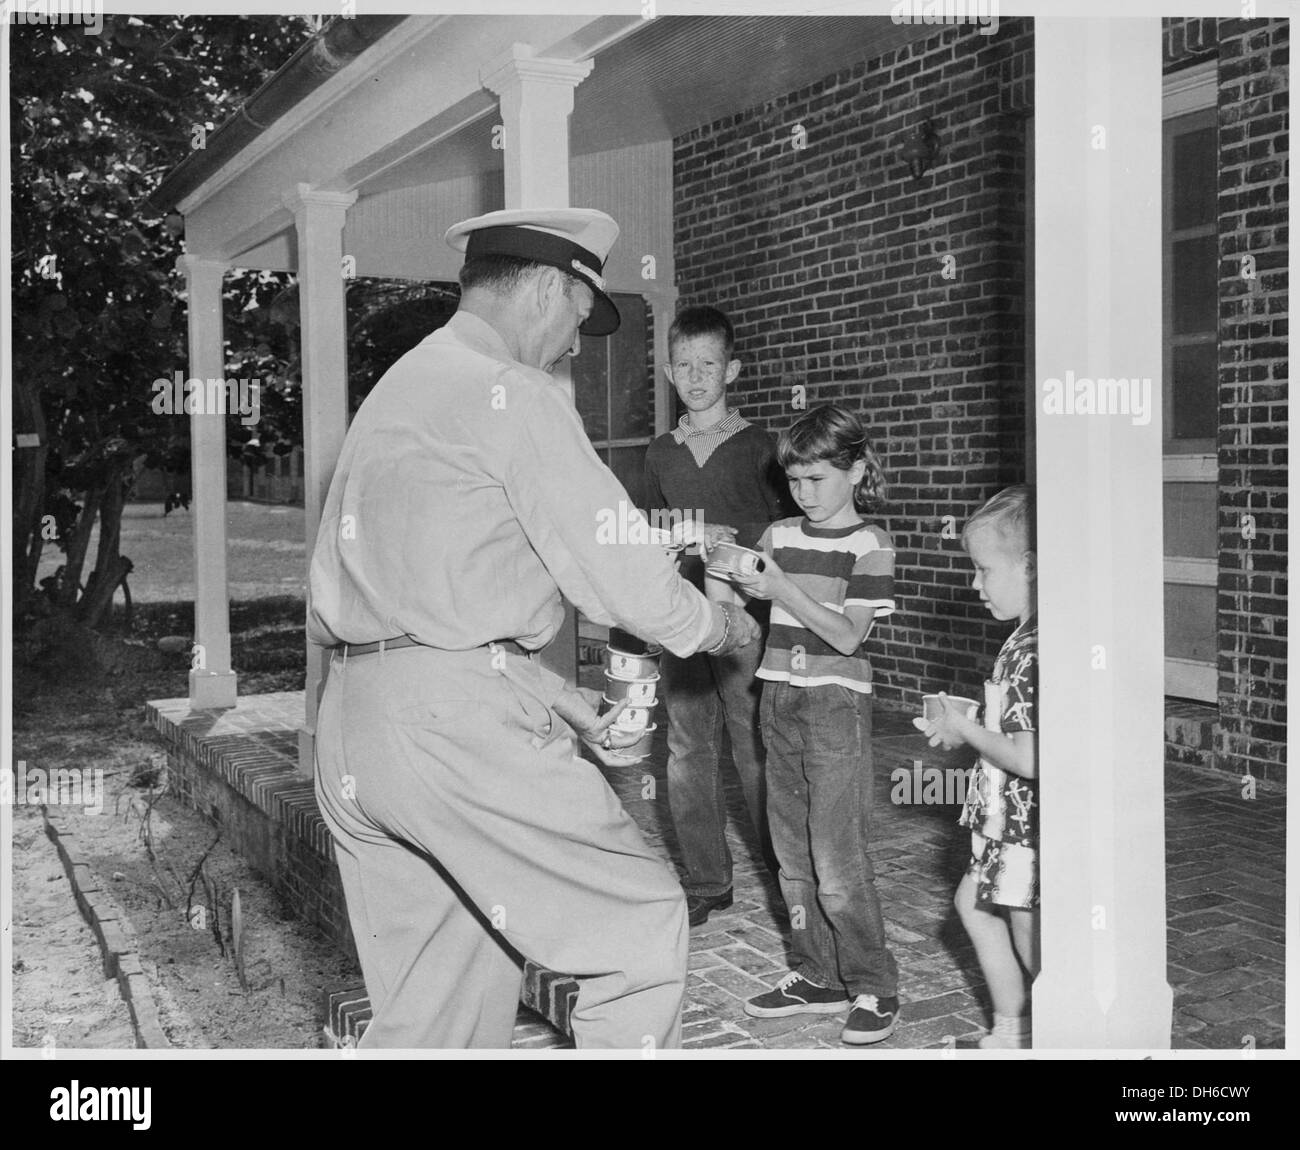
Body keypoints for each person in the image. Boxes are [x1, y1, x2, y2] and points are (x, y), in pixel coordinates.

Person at [306, 207, 760, 1049]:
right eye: (582, 320)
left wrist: (549, 688)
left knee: (442, 1003)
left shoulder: (400, 386)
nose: (577, 347)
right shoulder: (513, 391)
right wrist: (722, 627)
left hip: (359, 729)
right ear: (552, 289)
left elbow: (405, 598)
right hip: (454, 733)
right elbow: (618, 564)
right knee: (640, 931)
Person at [722, 403, 902, 1046]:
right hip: (778, 699)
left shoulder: (869, 544)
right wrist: (714, 567)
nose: (802, 494)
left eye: (816, 479)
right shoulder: (778, 535)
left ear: (856, 470)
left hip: (834, 705)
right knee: (791, 859)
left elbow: (849, 636)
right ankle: (818, 973)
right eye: (794, 481)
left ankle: (875, 984)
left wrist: (784, 591)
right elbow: (740, 595)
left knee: (836, 860)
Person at [643, 305, 790, 926]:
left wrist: (734, 533)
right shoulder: (660, 453)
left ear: (732, 368)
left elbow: (791, 527)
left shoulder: (762, 447)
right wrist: (667, 537)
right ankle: (707, 879)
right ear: (669, 372)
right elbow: (643, 526)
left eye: (709, 364)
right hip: (681, 617)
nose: (696, 376)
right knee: (686, 748)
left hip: (745, 621)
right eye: (684, 365)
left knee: (754, 746)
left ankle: (786, 876)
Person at [914, 484, 1039, 1049]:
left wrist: (964, 728)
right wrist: (967, 721)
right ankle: (1014, 1026)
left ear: (1031, 568)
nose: (975, 582)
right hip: (1006, 824)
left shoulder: (1027, 652)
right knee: (972, 902)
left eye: (985, 570)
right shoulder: (1026, 638)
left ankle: (1057, 1027)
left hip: (1022, 832)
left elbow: (1028, 758)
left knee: (1036, 945)